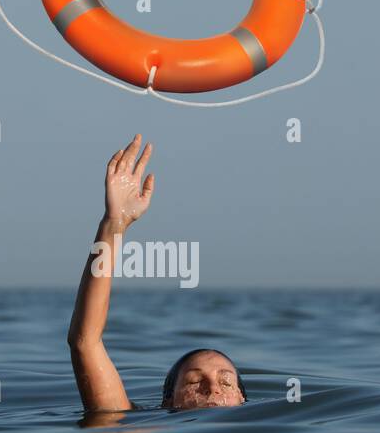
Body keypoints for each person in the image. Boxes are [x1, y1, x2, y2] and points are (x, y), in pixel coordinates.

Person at [67, 134, 249, 413]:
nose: (212, 388)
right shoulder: (144, 431)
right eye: (193, 382)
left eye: (226, 383)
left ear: (241, 399)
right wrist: (114, 223)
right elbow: (85, 342)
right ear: (168, 401)